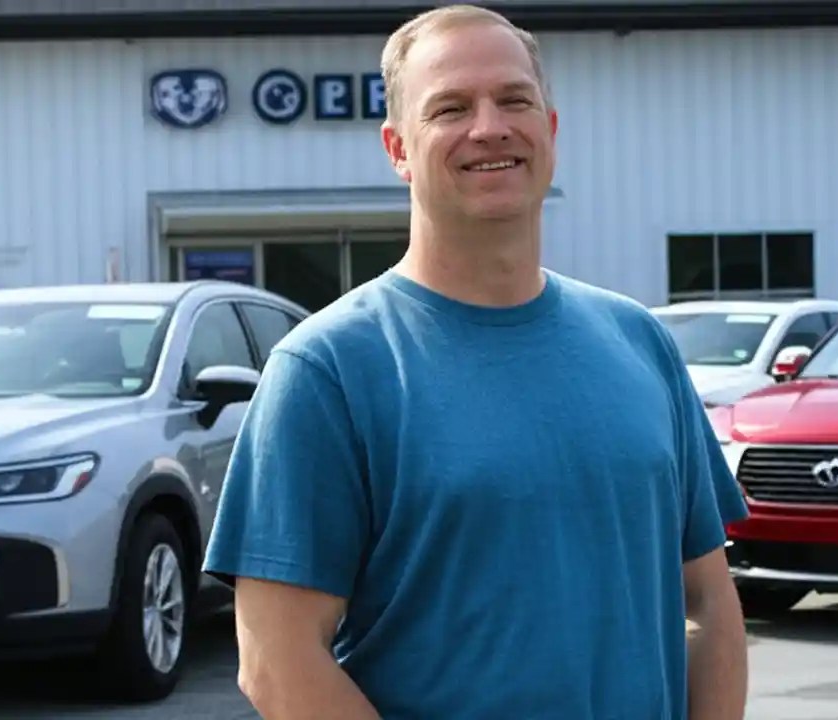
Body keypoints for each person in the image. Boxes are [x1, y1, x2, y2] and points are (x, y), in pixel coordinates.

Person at [202, 4, 751, 718]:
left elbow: (708, 601)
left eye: (514, 100)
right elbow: (277, 660)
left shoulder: (638, 341)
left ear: (549, 132)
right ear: (398, 148)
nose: (489, 127)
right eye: (451, 108)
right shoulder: (328, 369)